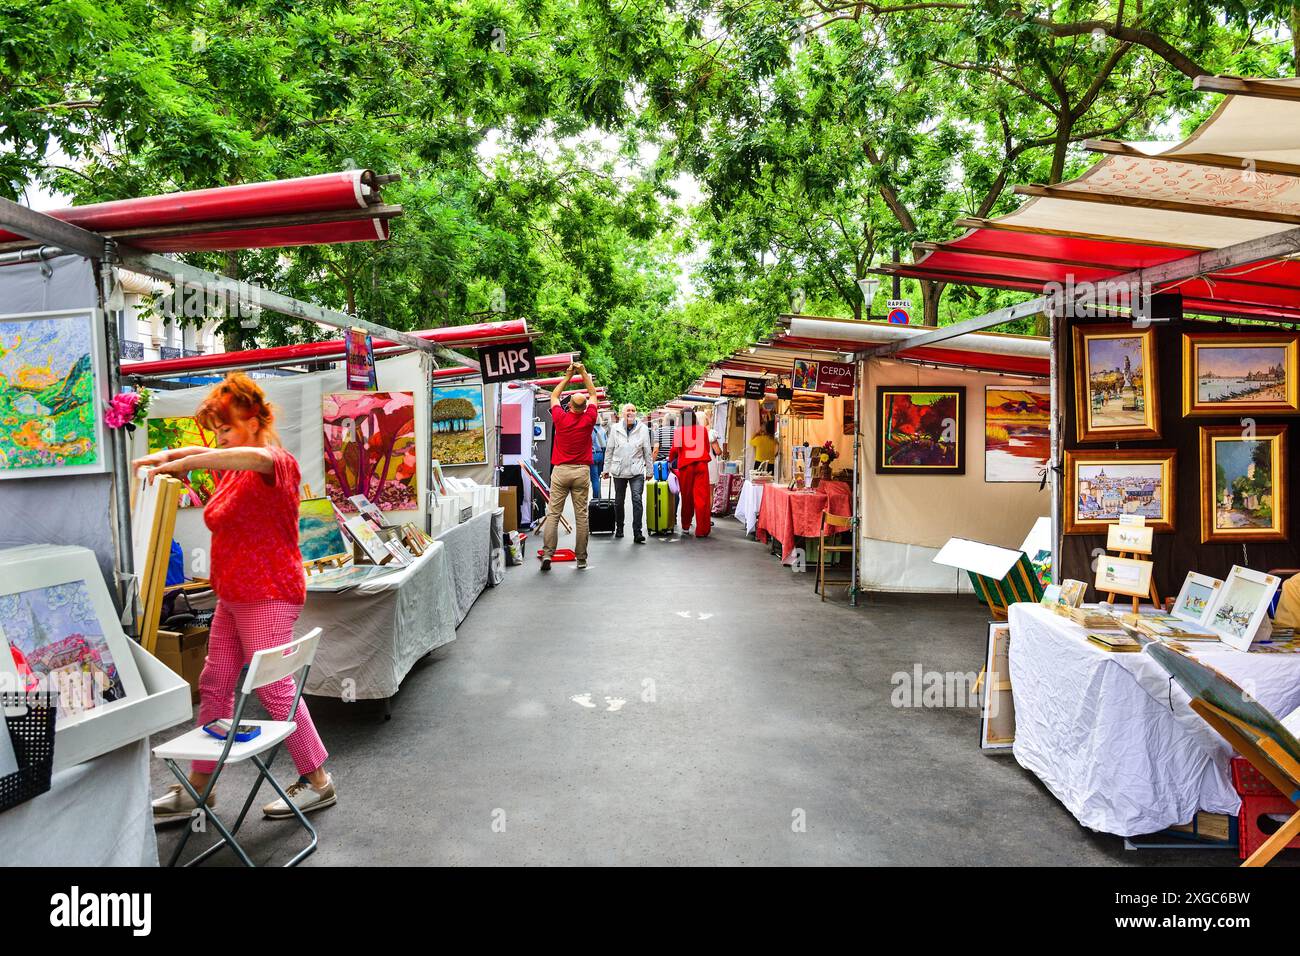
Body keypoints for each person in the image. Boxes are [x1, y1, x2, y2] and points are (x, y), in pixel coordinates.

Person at [138, 372, 335, 824]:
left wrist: (189, 463)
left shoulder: (276, 463)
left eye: (228, 427)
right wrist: (170, 456)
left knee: (272, 684)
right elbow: (210, 454)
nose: (221, 437)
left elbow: (250, 456)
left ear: (255, 420)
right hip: (234, 595)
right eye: (219, 429)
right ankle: (198, 788)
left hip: (268, 593)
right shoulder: (231, 467)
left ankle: (318, 780)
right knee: (215, 681)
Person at [541, 362, 600, 571]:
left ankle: (548, 554)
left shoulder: (560, 418)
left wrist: (567, 377)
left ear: (570, 406)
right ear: (584, 408)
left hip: (560, 470)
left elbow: (554, 396)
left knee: (553, 514)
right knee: (581, 516)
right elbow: (593, 395)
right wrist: (583, 373)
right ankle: (581, 559)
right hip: (581, 471)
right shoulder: (589, 419)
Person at [603, 403, 654, 542]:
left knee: (637, 499)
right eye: (628, 410)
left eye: (633, 410)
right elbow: (609, 450)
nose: (630, 412)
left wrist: (650, 471)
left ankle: (637, 532)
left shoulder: (643, 429)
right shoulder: (615, 428)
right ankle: (619, 527)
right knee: (619, 501)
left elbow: (647, 451)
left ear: (636, 413)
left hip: (636, 470)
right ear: (622, 413)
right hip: (619, 471)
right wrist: (606, 470)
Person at [670, 408, 722, 539]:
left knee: (687, 497)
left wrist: (671, 462)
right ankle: (702, 530)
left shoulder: (679, 431)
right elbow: (706, 448)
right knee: (702, 498)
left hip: (686, 467)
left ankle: (686, 526)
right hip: (701, 465)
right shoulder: (703, 430)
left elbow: (675, 450)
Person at [590, 412, 608, 490]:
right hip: (601, 455)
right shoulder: (603, 430)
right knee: (597, 477)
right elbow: (606, 443)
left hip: (593, 455)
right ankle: (598, 497)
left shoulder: (590, 429)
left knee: (594, 479)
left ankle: (596, 498)